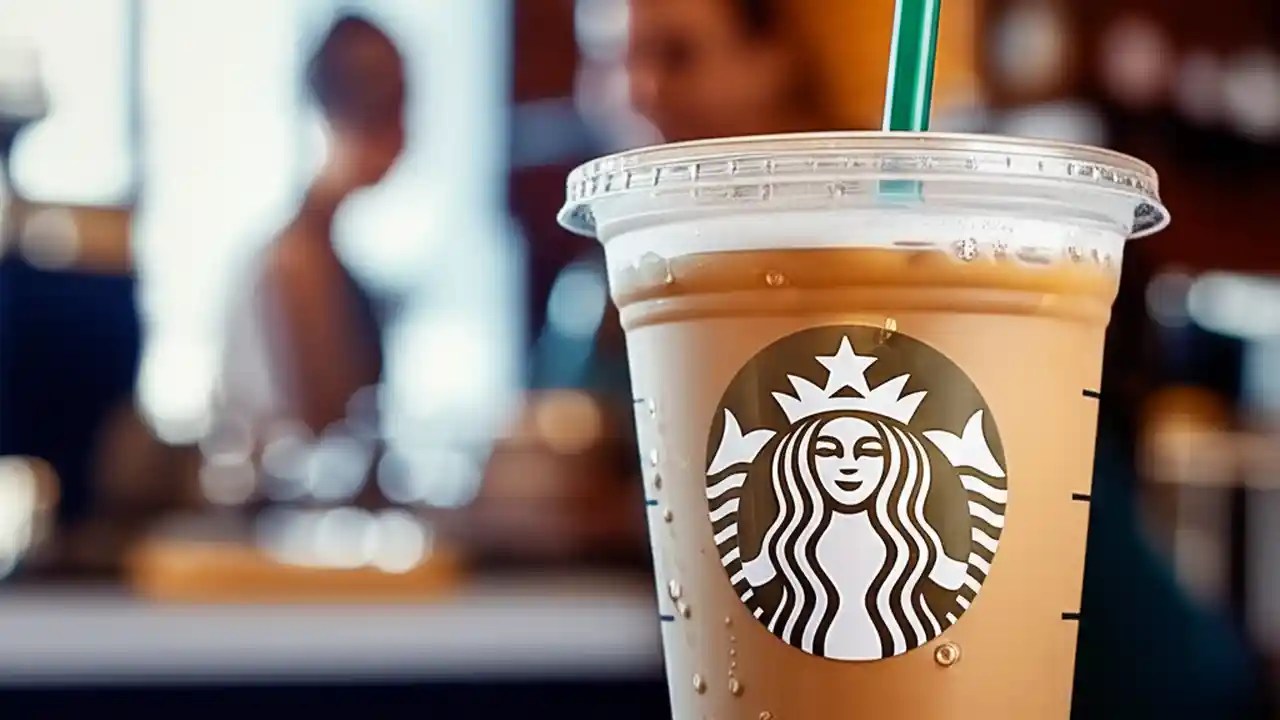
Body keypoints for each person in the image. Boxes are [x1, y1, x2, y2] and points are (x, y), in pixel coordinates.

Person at [220, 14, 404, 436]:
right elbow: (325, 434)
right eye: (386, 107)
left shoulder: (318, 255)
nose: (402, 133)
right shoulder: (295, 264)